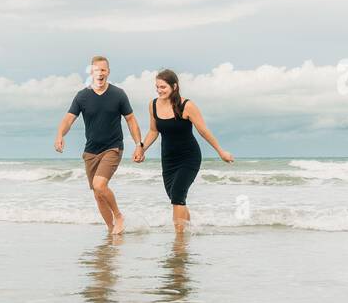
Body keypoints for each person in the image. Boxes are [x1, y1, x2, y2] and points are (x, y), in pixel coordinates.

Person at [134, 68, 233, 232]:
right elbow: (153, 130)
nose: (159, 91)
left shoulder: (187, 105)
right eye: (157, 87)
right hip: (168, 159)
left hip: (189, 157)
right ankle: (188, 232)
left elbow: (203, 130)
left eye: (163, 87)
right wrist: (141, 147)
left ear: (174, 86)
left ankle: (179, 241)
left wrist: (220, 151)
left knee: (178, 197)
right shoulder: (153, 105)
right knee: (176, 199)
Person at [54, 55, 143, 235]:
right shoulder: (82, 96)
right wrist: (60, 135)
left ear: (108, 72)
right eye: (96, 70)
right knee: (97, 194)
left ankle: (118, 216)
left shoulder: (118, 94)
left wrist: (138, 144)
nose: (100, 73)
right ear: (91, 72)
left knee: (100, 185)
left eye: (103, 70)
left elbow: (131, 119)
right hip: (90, 151)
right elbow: (68, 119)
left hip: (113, 147)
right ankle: (112, 231)